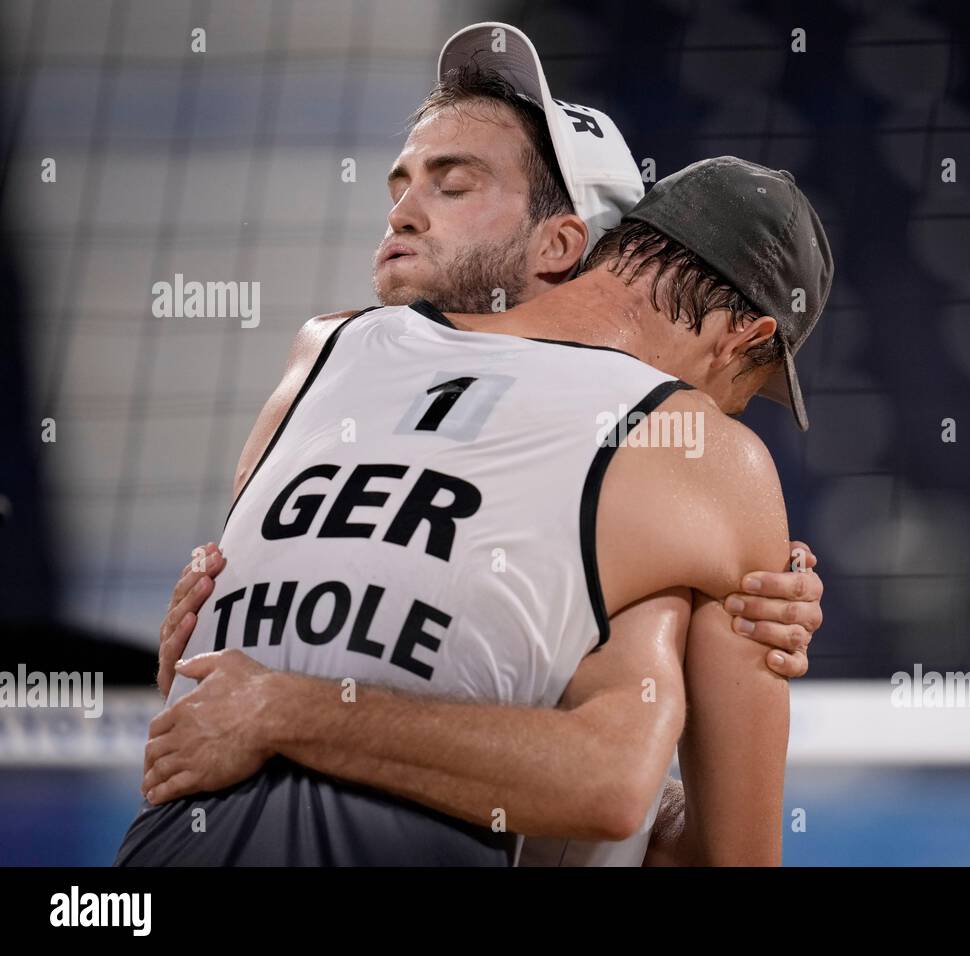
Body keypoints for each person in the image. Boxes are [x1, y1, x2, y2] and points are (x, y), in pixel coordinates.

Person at [124, 24, 828, 867]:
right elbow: (731, 851)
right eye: (748, 394)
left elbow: (221, 690)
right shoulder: (703, 454)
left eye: (455, 183)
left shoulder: (325, 356)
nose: (404, 211)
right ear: (744, 337)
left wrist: (263, 695)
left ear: (572, 244)